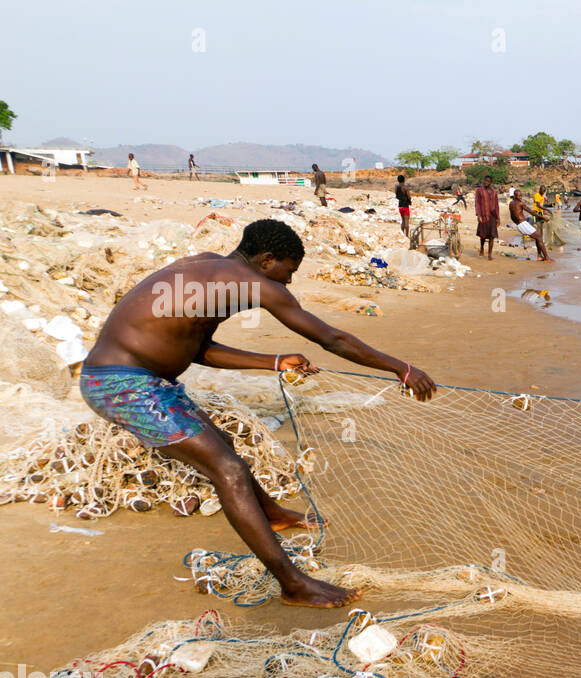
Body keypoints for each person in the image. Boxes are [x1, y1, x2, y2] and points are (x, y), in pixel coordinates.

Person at [79, 219, 435, 608]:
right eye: (290, 271)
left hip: (142, 379)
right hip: (122, 385)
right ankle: (293, 584)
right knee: (226, 470)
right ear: (267, 261)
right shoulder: (258, 285)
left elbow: (193, 349)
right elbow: (332, 337)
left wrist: (274, 360)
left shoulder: (208, 268)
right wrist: (402, 368)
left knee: (223, 445)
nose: (290, 283)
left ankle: (273, 513)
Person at [509, 189, 551, 261]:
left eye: (521, 195)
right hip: (523, 224)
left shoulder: (511, 203)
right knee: (539, 237)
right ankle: (547, 258)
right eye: (518, 196)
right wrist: (543, 217)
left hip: (520, 225)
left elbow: (512, 217)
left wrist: (517, 224)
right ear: (515, 196)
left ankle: (539, 256)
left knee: (537, 237)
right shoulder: (520, 203)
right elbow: (532, 212)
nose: (520, 197)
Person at [474, 175, 500, 259]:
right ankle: (482, 248)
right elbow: (477, 203)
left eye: (488, 181)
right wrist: (478, 215)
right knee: (483, 235)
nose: (486, 182)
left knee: (492, 236)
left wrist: (498, 218)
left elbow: (496, 205)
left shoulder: (494, 192)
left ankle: (489, 254)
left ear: (490, 182)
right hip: (483, 216)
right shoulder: (479, 191)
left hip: (492, 216)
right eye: (485, 181)